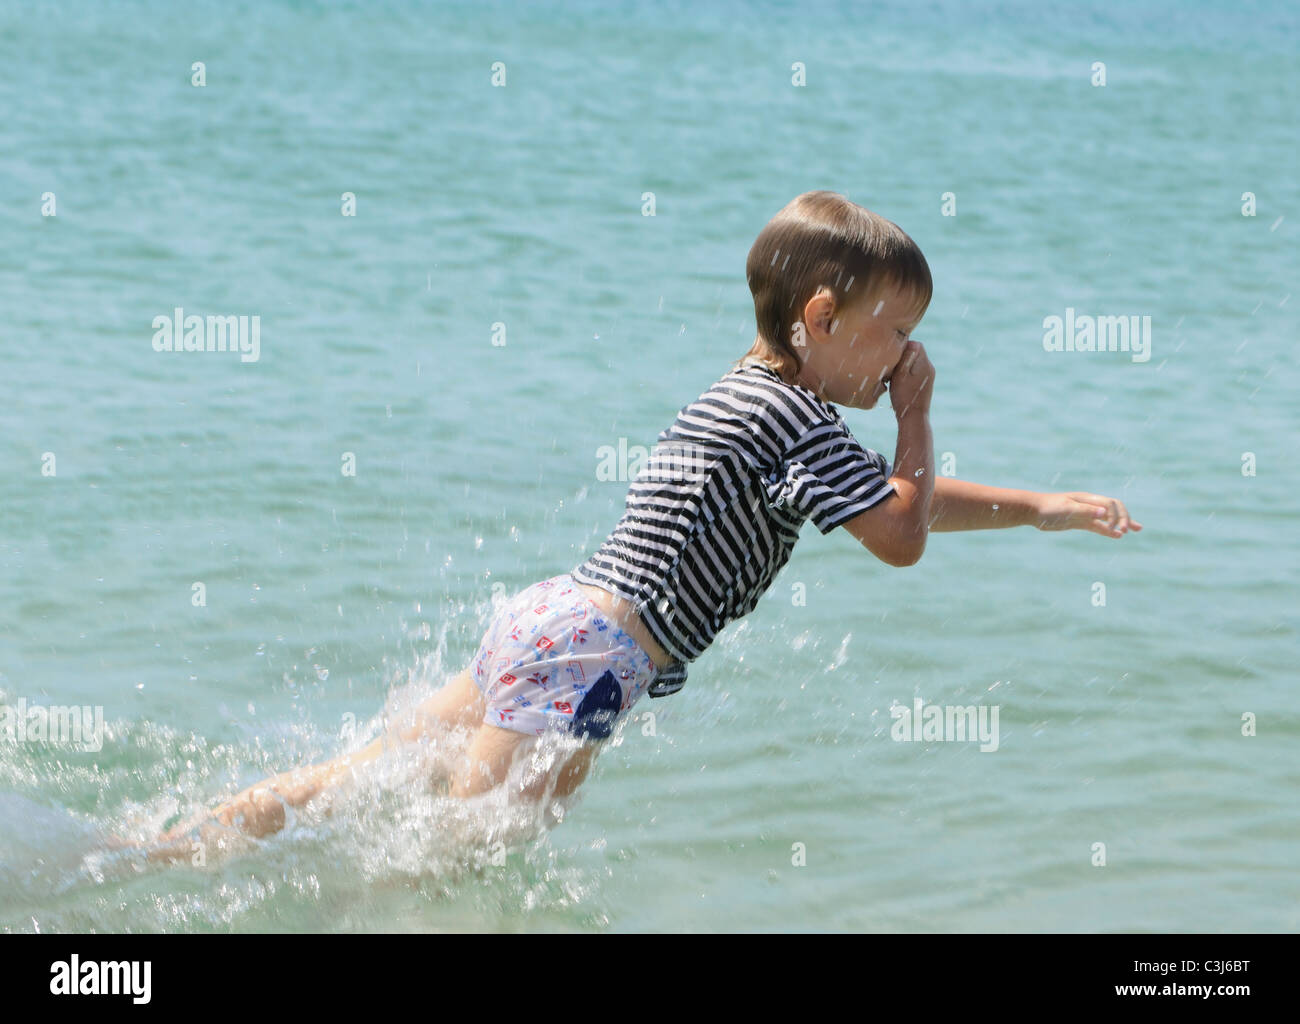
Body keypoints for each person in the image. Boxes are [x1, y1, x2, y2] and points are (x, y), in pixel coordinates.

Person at [135, 190, 1140, 862]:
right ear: (824, 318)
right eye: (897, 334)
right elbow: (899, 532)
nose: (904, 359)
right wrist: (918, 415)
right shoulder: (801, 418)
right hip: (596, 656)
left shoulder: (748, 394)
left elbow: (891, 502)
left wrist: (1040, 509)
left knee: (361, 781)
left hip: (548, 616)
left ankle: (182, 842)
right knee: (459, 856)